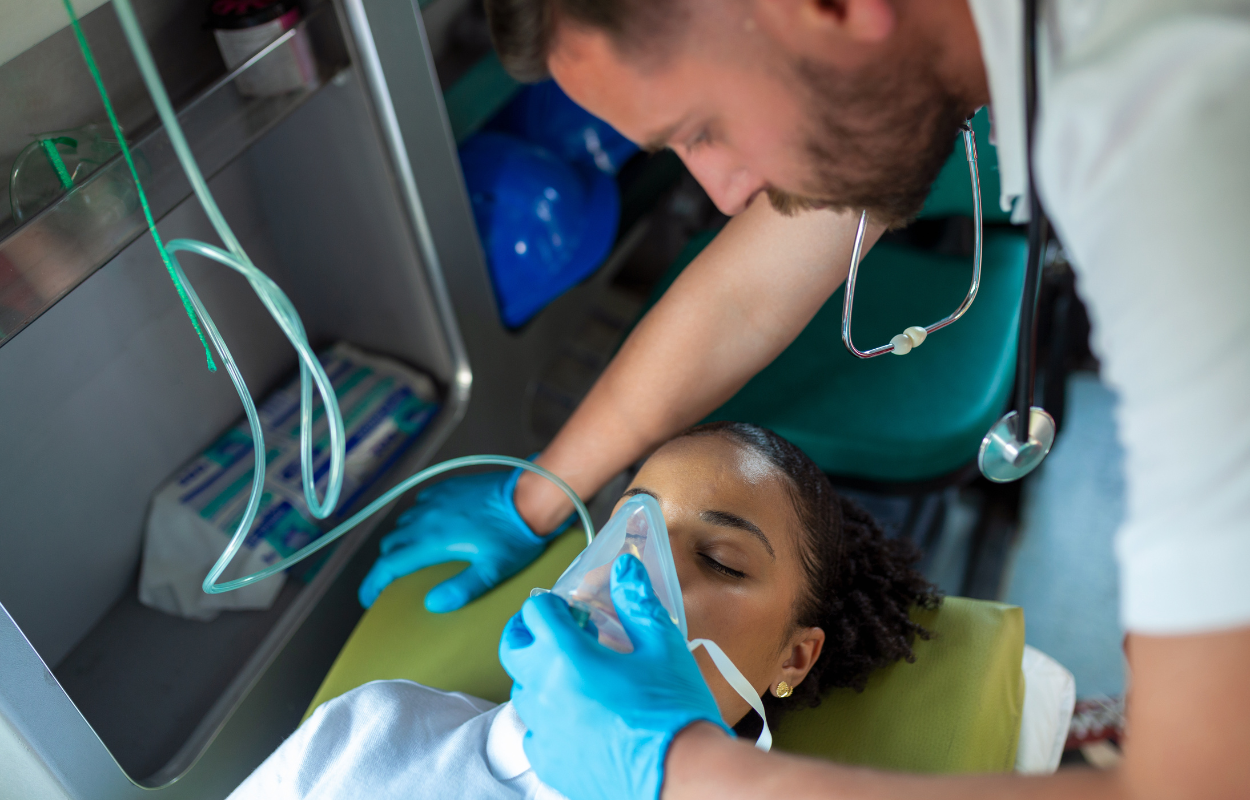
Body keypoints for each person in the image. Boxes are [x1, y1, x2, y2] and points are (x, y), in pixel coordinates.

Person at [363, 0, 1250, 798]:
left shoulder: (1183, 133)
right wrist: (544, 489)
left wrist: (678, 769)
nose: (724, 193)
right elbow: (752, 289)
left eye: (704, 127)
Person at [233, 423, 938, 799]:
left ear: (793, 657)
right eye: (630, 525)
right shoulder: (373, 729)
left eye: (722, 560)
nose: (637, 566)